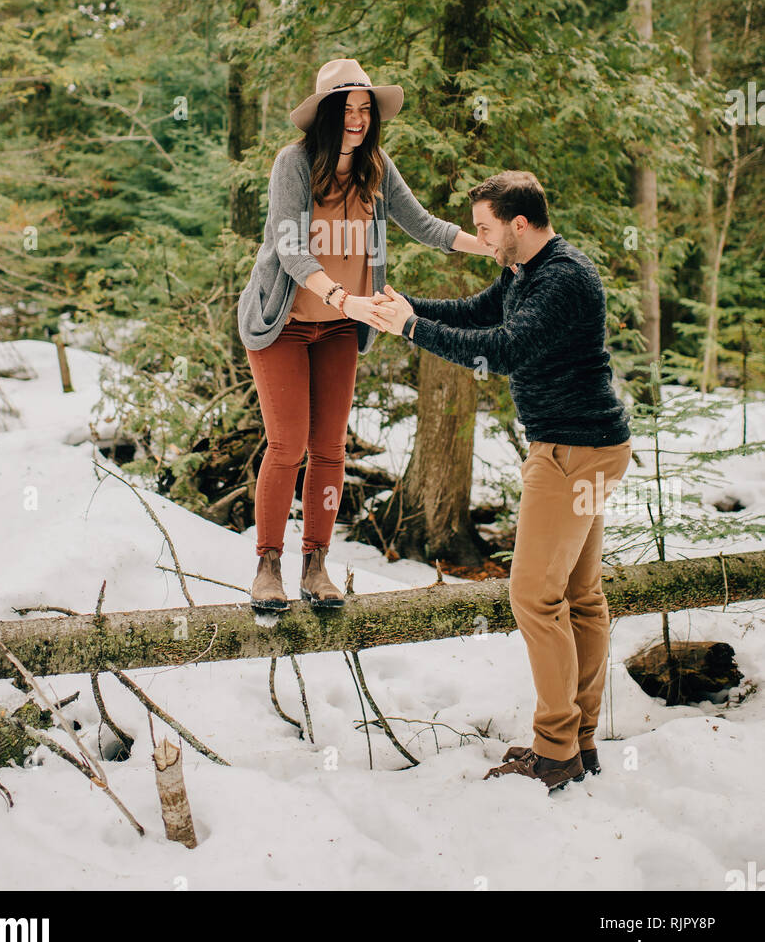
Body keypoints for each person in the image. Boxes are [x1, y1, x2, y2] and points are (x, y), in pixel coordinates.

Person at [373, 170, 632, 792]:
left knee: (534, 598)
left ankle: (556, 748)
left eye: (487, 229)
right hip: (591, 446)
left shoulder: (565, 278)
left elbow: (505, 349)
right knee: (579, 597)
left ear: (520, 224)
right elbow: (477, 313)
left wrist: (411, 331)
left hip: (573, 453)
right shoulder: (524, 271)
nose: (482, 239)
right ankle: (581, 739)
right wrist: (410, 309)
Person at [237, 57, 486, 612]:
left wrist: (491, 247)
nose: (357, 118)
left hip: (341, 329)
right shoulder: (294, 163)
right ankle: (267, 566)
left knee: (328, 451)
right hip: (285, 322)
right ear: (327, 113)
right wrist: (340, 295)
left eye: (364, 108)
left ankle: (317, 564)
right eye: (347, 108)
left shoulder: (376, 167)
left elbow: (423, 225)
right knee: (287, 445)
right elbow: (289, 247)